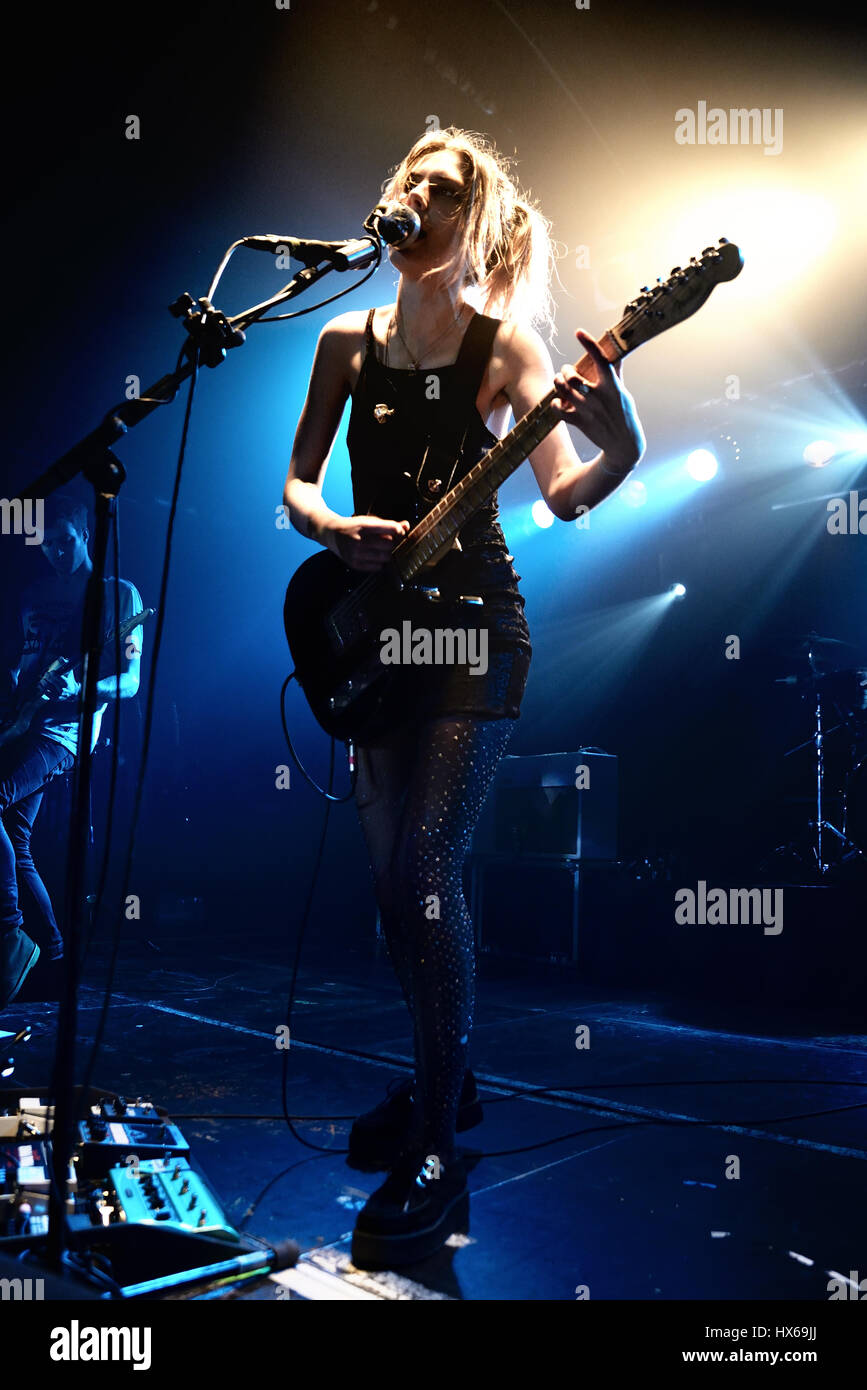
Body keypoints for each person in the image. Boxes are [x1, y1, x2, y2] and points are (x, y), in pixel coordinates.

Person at [283, 127, 645, 1267]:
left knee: (426, 867)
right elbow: (296, 484)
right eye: (409, 183)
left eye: (443, 193)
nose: (419, 200)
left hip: (474, 625)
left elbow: (573, 493)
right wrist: (338, 527)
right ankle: (455, 1073)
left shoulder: (509, 348)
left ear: (468, 225)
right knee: (392, 890)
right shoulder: (345, 338)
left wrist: (618, 424)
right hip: (378, 629)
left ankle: (436, 1145)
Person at [0, 494, 143, 1008]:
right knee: (15, 840)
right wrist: (17, 682)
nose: (57, 551)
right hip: (21, 724)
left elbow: (129, 682)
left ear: (85, 534)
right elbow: (25, 655)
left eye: (65, 541)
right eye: (47, 544)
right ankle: (54, 960)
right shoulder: (32, 595)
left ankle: (11, 938)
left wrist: (79, 692)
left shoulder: (116, 594)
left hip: (65, 733)